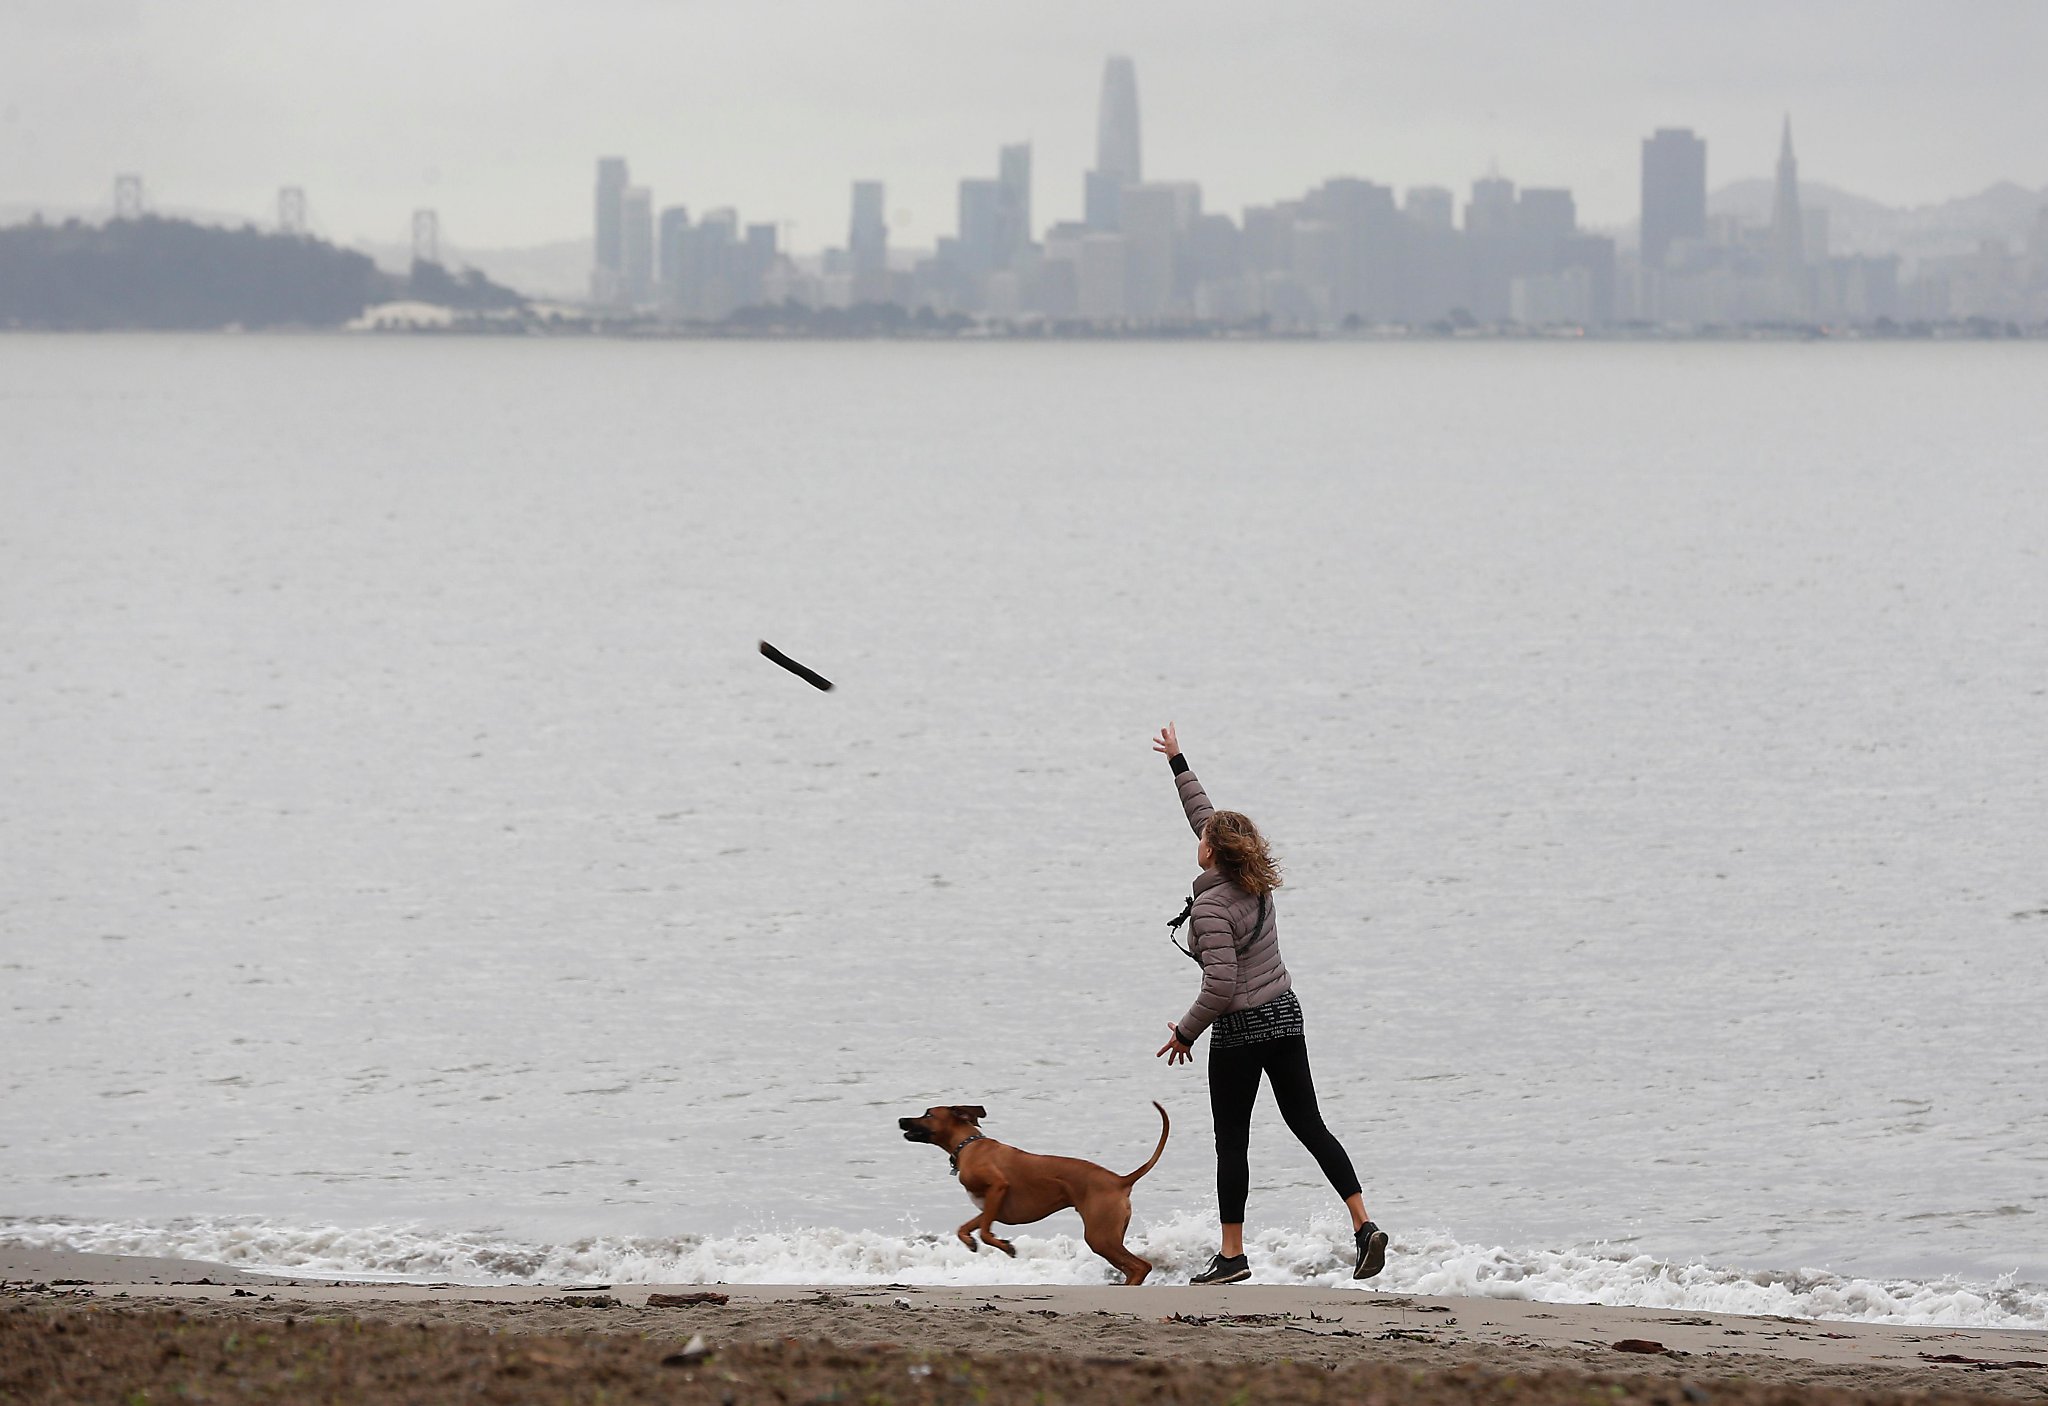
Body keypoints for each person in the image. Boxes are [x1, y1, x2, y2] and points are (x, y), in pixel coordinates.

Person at [1150, 722, 1389, 1285]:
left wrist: (1185, 1033)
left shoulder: (1210, 910)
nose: (1199, 834)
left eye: (1204, 836)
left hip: (1238, 1032)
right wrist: (1179, 763)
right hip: (1285, 1013)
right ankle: (1363, 1225)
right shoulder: (1254, 879)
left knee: (1232, 1143)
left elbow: (1220, 988)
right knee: (1308, 1123)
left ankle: (1232, 1257)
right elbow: (1206, 815)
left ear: (1210, 852)